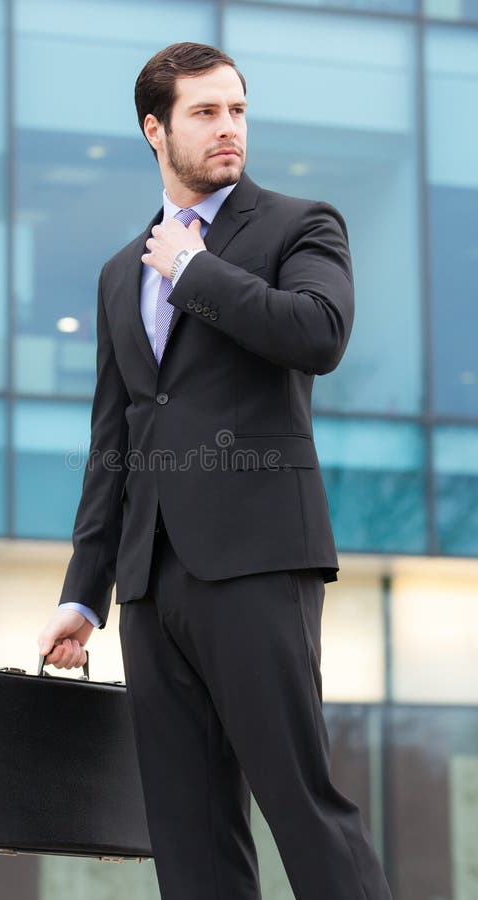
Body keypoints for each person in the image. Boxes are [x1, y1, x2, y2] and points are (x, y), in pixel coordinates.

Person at [38, 41, 393, 900]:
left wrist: (196, 271)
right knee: (189, 836)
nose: (228, 127)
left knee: (302, 806)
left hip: (259, 563)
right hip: (150, 585)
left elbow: (318, 333)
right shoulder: (121, 272)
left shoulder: (301, 224)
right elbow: (115, 439)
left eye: (236, 109)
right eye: (204, 112)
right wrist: (84, 594)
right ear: (154, 130)